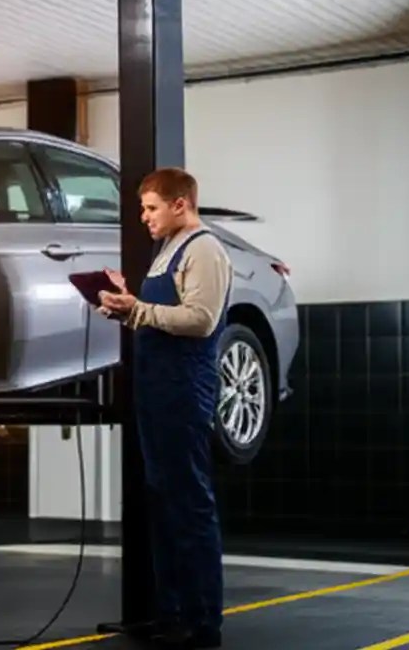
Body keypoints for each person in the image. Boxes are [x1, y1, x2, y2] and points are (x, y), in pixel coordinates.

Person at [97, 167, 231, 649]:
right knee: (163, 503)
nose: (144, 217)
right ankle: (171, 613)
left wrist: (136, 309)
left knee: (190, 504)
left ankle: (203, 622)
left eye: (152, 208)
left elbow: (200, 318)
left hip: (183, 388)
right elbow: (158, 317)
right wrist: (123, 300)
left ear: (181, 205)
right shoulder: (166, 252)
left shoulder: (204, 249)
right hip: (155, 389)